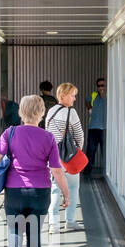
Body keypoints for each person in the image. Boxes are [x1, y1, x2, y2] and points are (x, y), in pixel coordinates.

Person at [0, 94, 69, 247]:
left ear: (20, 112)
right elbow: (57, 170)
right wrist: (66, 194)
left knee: (15, 227)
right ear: (41, 113)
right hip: (40, 192)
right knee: (34, 232)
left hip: (15, 191)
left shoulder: (9, 133)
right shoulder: (48, 137)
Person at [45, 82, 84, 232]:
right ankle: (69, 221)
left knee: (55, 188)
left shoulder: (51, 111)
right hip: (68, 156)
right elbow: (79, 135)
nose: (74, 99)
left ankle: (53, 224)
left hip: (53, 156)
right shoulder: (70, 112)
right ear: (63, 96)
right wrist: (78, 152)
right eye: (72, 95)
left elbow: (48, 133)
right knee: (73, 187)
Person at [86, 77, 107, 175]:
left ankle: (107, 171)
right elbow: (87, 100)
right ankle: (87, 171)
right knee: (91, 150)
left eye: (103, 85)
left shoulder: (109, 96)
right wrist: (89, 108)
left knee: (106, 150)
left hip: (105, 128)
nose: (101, 88)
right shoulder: (94, 95)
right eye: (99, 86)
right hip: (93, 127)